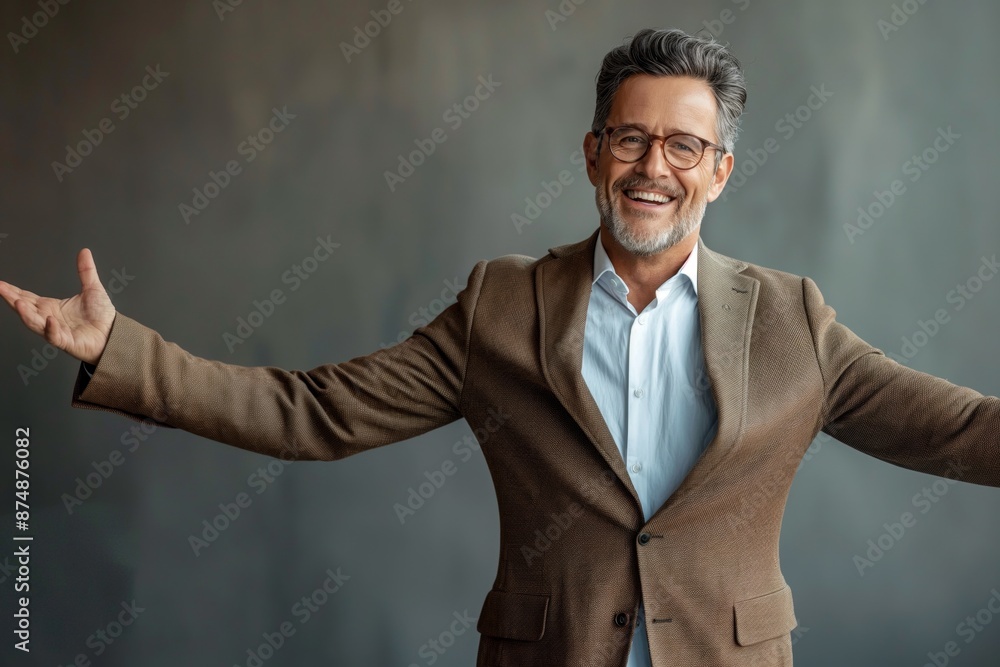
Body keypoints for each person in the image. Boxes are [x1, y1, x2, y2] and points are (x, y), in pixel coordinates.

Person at [3, 27, 998, 667]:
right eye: (629, 138)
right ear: (591, 153)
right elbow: (310, 412)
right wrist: (119, 349)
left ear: (721, 171)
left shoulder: (792, 319)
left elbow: (953, 429)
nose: (653, 167)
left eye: (683, 146)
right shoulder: (502, 304)